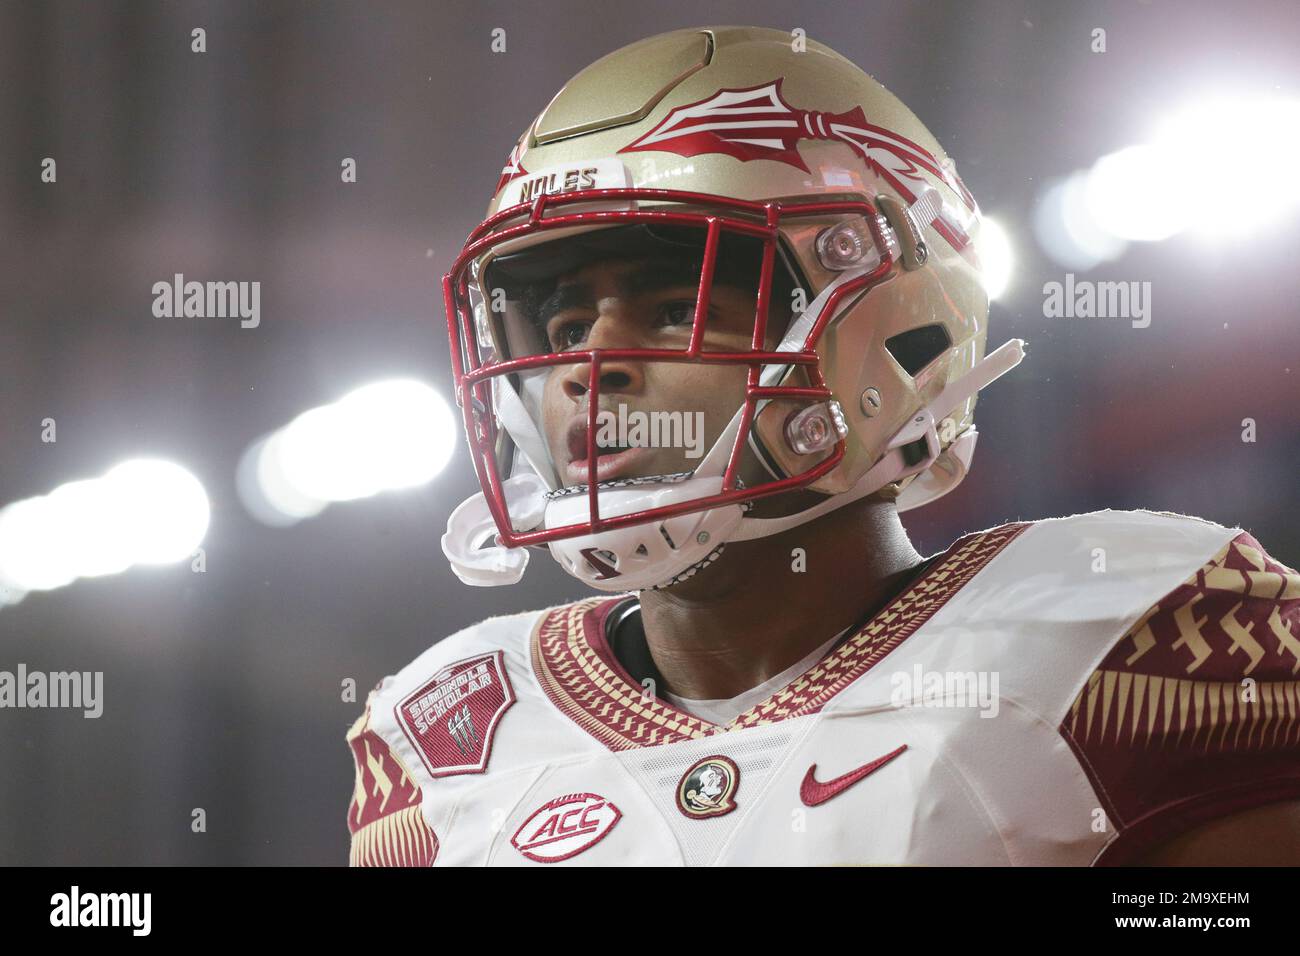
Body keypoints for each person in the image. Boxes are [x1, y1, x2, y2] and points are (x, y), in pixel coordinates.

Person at [345, 25, 1300, 866]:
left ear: (888, 330)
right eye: (559, 327)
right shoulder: (445, 736)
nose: (591, 367)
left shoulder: (1123, 641)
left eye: (678, 310)